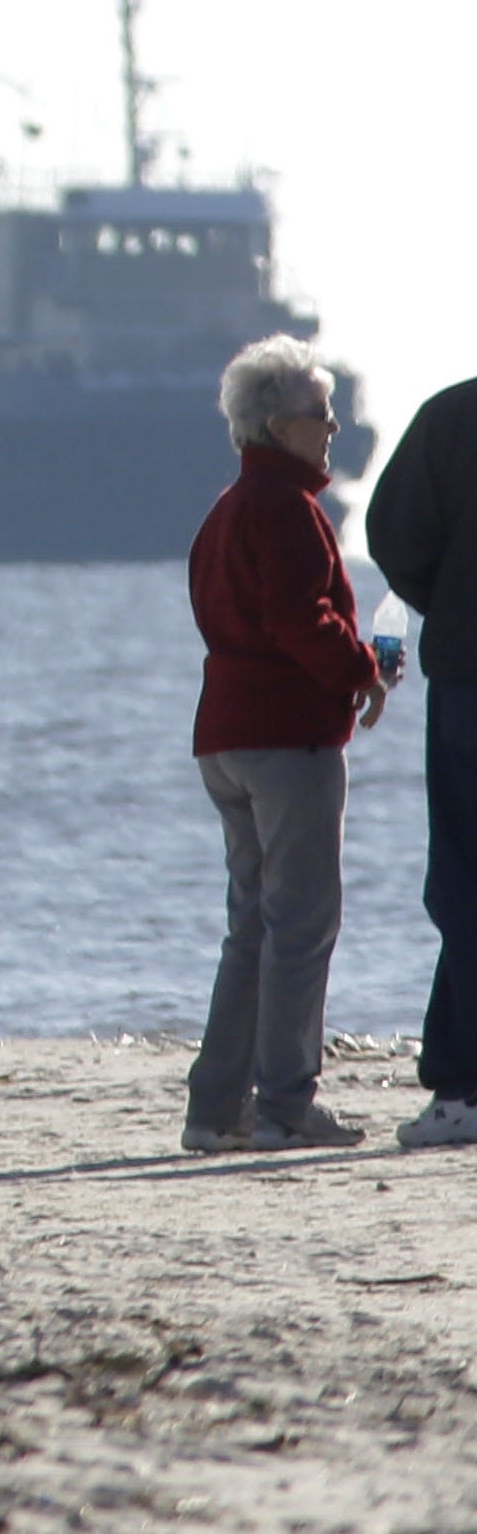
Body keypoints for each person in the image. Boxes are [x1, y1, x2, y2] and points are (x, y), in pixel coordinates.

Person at [185, 333, 391, 1152]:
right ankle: (285, 1105)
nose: (333, 429)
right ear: (275, 423)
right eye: (320, 416)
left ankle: (216, 1110)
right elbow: (297, 618)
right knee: (301, 923)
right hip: (284, 738)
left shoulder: (226, 509)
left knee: (253, 925)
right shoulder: (286, 510)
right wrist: (361, 671)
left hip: (225, 737)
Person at [364, 371, 477, 1150]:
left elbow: (394, 536)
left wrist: (453, 598)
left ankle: (464, 1081)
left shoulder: (454, 417)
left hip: (470, 676)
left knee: (466, 876)